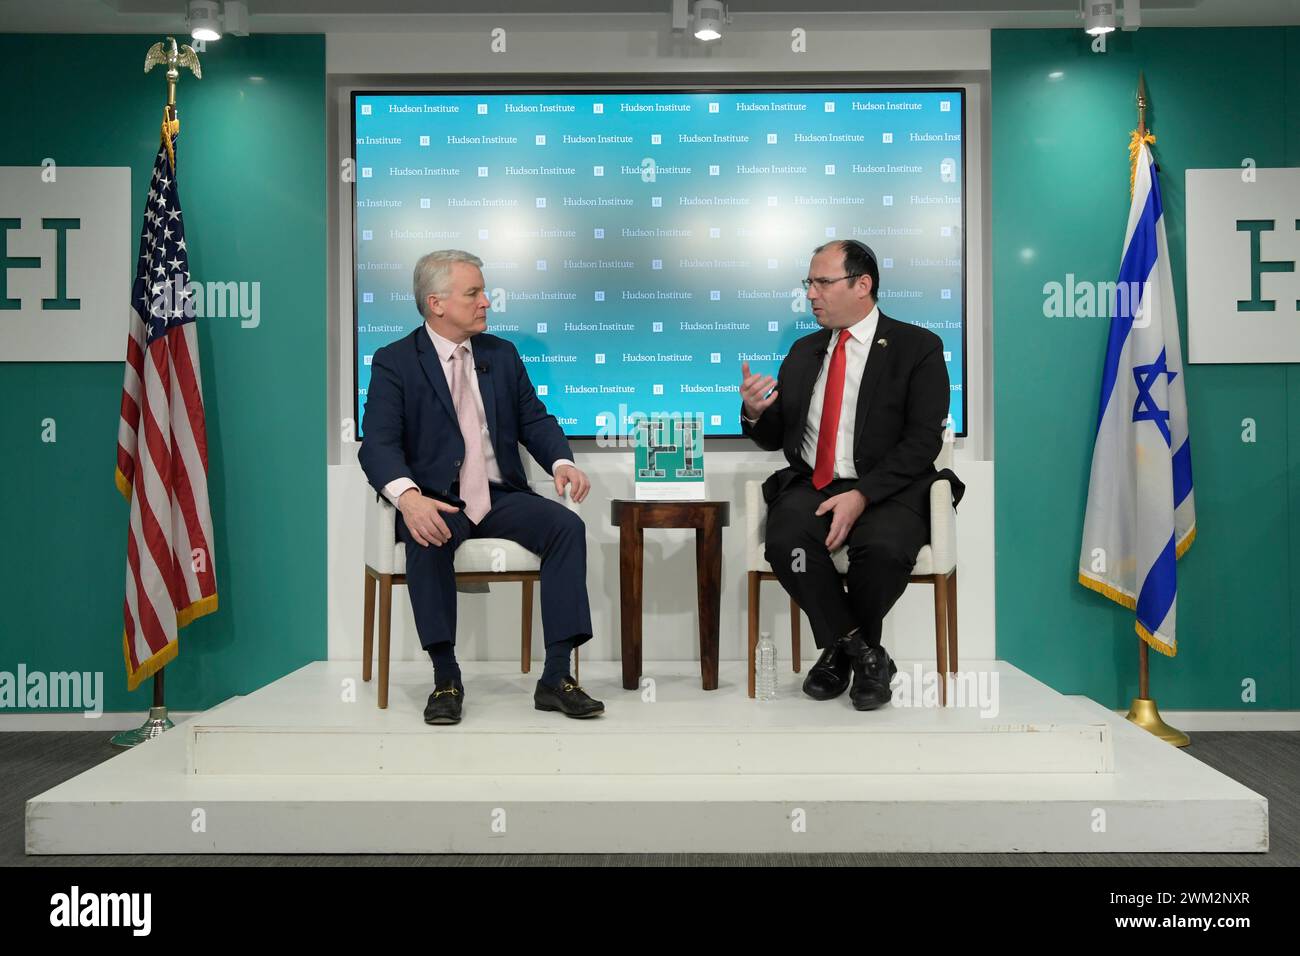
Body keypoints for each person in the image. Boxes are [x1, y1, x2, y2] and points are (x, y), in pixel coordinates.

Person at [358, 249, 604, 725]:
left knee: (565, 529)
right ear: (437, 303)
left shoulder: (501, 355)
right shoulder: (395, 362)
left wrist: (560, 461)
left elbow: (534, 418)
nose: (487, 301)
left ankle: (556, 677)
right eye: (473, 293)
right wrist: (409, 499)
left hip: (498, 494)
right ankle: (446, 676)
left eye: (484, 291)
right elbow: (378, 446)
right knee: (426, 534)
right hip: (438, 497)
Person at [741, 239, 964, 710]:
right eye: (809, 283)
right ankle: (865, 654)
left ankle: (836, 658)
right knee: (788, 546)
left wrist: (862, 494)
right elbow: (775, 438)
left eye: (822, 282)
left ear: (863, 285)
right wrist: (756, 412)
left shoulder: (917, 347)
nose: (811, 294)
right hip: (813, 484)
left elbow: (923, 441)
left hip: (890, 487)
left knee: (882, 550)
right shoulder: (803, 352)